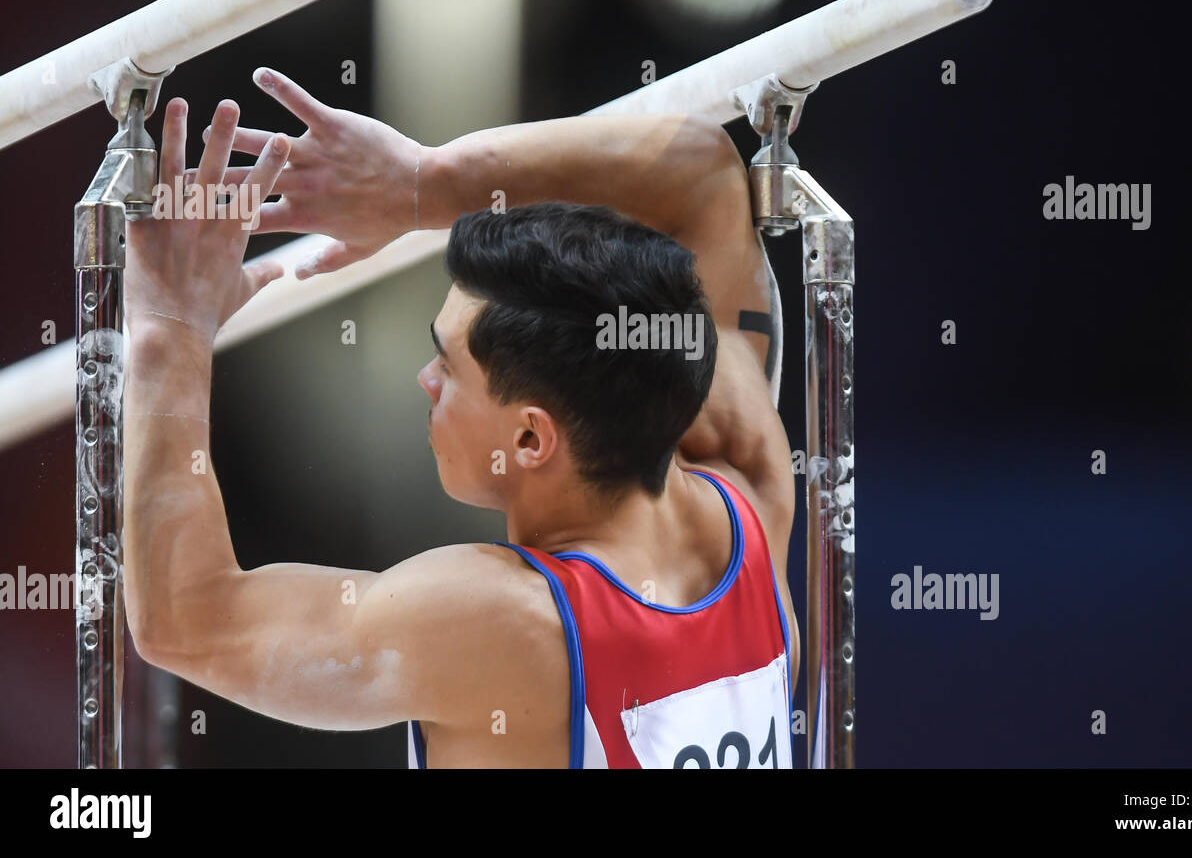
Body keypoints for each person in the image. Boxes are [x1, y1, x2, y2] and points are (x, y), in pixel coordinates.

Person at [122, 67, 799, 768]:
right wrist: (419, 182)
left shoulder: (504, 623)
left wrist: (169, 327)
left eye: (446, 365)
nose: (424, 381)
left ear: (531, 437)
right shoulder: (751, 482)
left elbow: (188, 620)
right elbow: (707, 175)